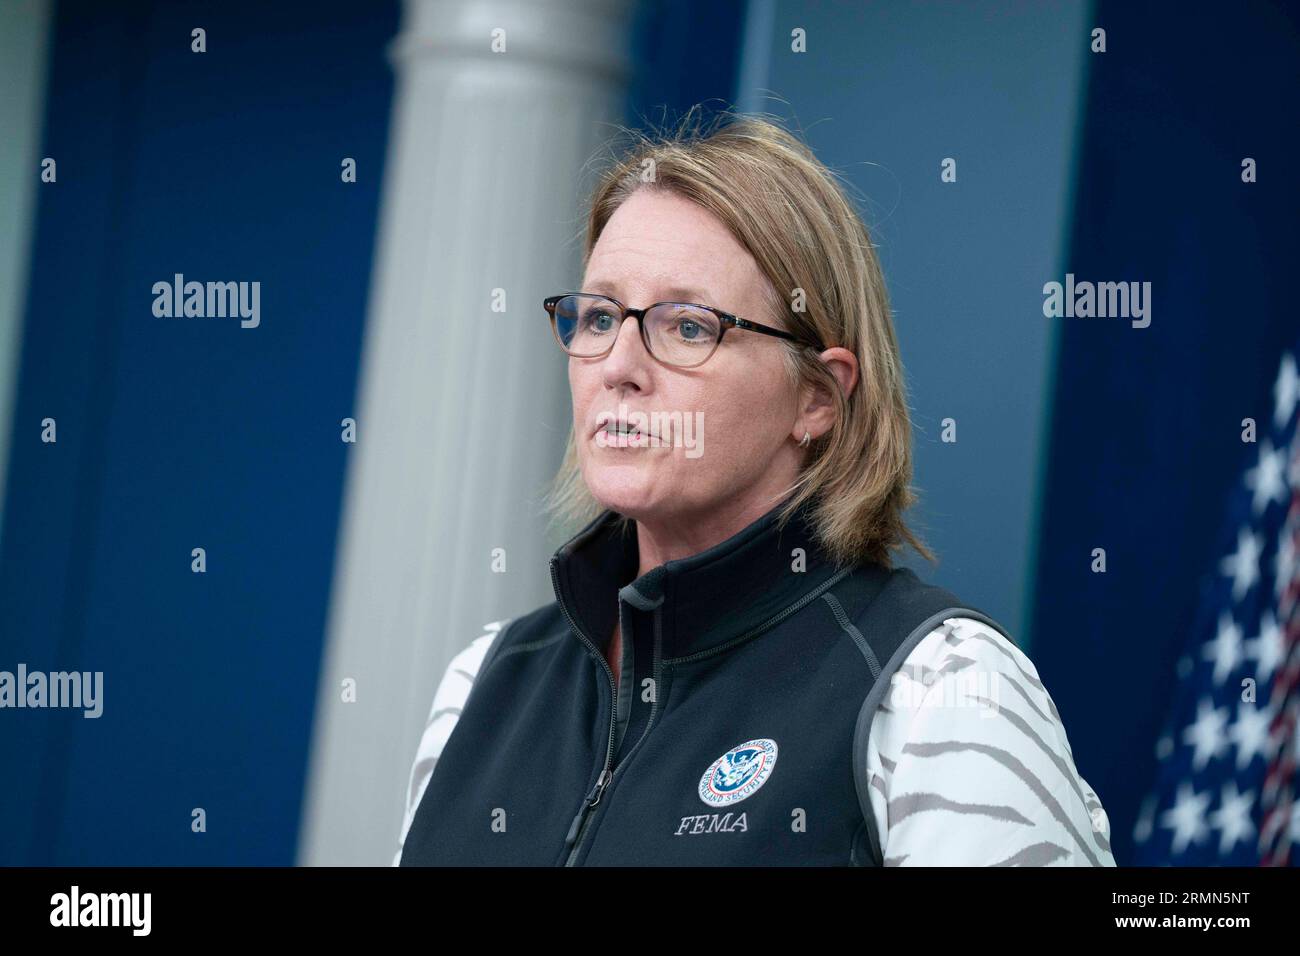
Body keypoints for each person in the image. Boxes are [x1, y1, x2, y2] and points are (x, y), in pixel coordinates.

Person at [394, 110, 1114, 866]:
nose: (618, 366)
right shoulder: (484, 680)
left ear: (817, 399)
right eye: (600, 316)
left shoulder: (939, 691)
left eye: (688, 327)